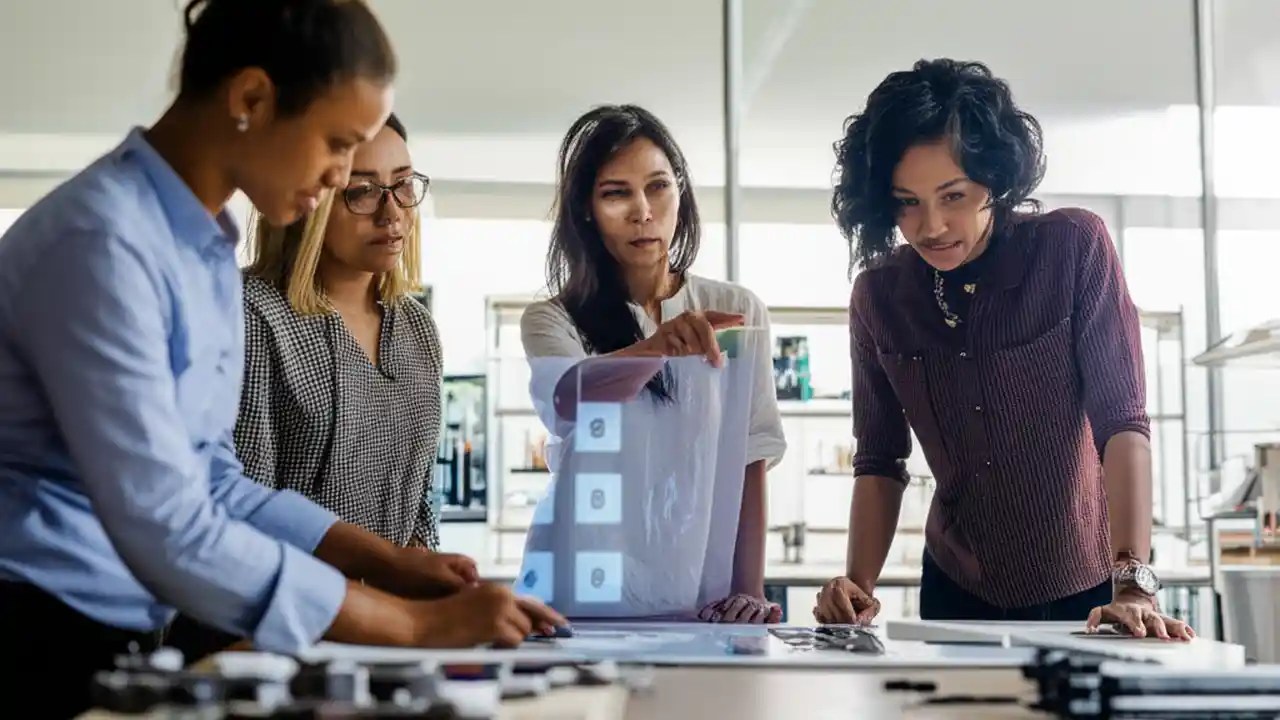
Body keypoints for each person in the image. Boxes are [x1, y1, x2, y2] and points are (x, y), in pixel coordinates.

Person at [0, 1, 563, 713]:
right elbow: (167, 521)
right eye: (337, 145)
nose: (338, 178)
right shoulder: (102, 244)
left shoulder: (196, 248)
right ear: (252, 99)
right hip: (32, 631)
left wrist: (395, 563)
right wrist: (414, 624)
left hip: (117, 634)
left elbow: (217, 483)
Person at [812, 58, 1194, 641]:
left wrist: (1134, 584)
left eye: (954, 195)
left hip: (1089, 589)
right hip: (955, 587)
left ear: (995, 180)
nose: (931, 225)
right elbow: (880, 461)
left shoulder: (1071, 250)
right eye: (906, 202)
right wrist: (855, 584)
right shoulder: (878, 298)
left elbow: (1123, 423)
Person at [517, 104, 786, 623]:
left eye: (658, 186)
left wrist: (748, 588)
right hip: (579, 592)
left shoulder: (735, 312)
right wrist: (656, 348)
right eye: (616, 193)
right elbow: (567, 399)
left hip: (700, 598)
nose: (642, 210)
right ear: (587, 212)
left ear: (680, 193)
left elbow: (750, 450)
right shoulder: (554, 319)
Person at [236, 112, 443, 550]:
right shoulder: (254, 315)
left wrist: (430, 583)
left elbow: (422, 500)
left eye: (403, 185)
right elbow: (242, 512)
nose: (393, 215)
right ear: (311, 200)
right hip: (294, 608)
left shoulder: (417, 327)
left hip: (396, 609)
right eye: (362, 191)